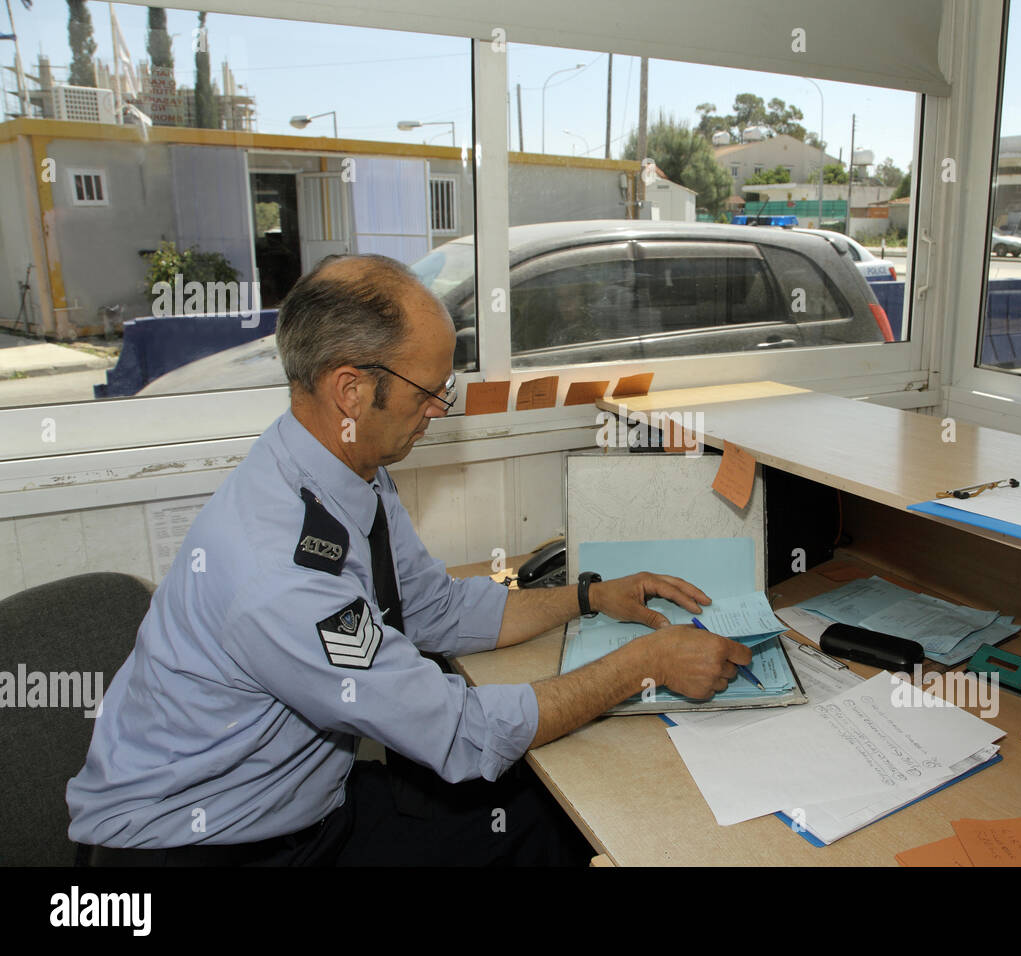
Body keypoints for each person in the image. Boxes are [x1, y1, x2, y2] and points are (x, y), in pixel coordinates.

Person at [67, 253, 751, 866]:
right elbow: (461, 734)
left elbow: (432, 609)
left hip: (295, 800)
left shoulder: (345, 471)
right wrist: (642, 665)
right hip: (203, 851)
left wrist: (587, 598)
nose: (437, 410)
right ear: (350, 391)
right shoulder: (281, 573)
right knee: (545, 813)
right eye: (429, 392)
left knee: (549, 815)